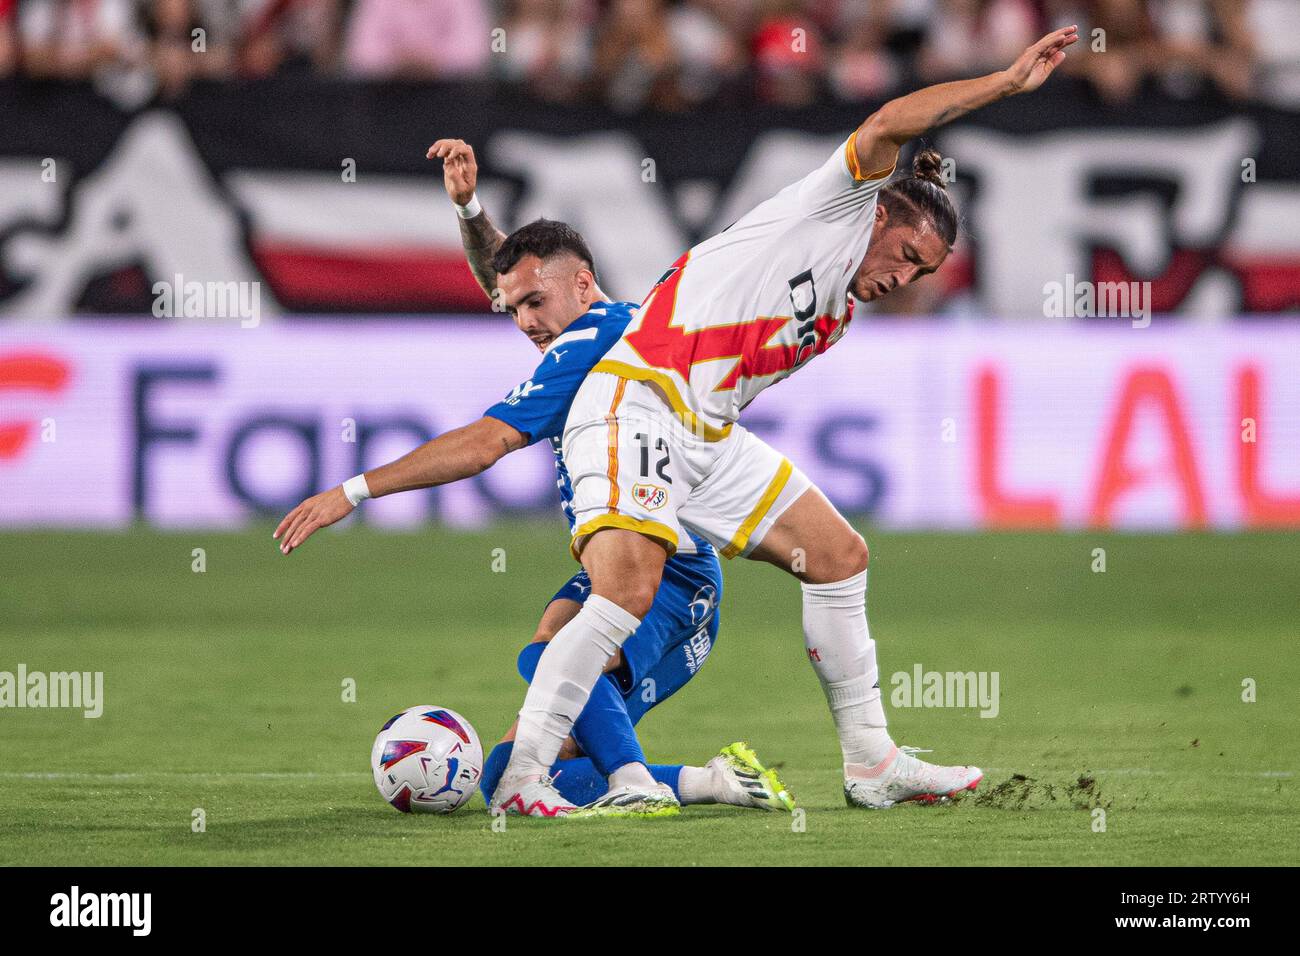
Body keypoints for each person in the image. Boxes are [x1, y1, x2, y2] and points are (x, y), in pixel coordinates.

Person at [490, 26, 1081, 816]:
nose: (904, 277)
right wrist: (1004, 84)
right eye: (905, 254)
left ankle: (872, 764)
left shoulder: (842, 302)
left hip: (700, 432)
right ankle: (526, 775)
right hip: (644, 398)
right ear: (878, 215)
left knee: (838, 556)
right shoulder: (834, 207)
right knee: (620, 595)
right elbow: (887, 125)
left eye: (923, 273)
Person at [274, 139, 795, 818]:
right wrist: (469, 209)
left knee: (547, 654)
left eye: (532, 304)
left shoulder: (593, 340)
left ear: (582, 282)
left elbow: (487, 443)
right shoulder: (615, 325)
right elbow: (509, 274)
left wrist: (352, 491)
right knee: (508, 772)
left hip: (666, 573)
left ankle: (636, 783)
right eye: (513, 309)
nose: (522, 322)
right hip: (654, 570)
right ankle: (714, 781)